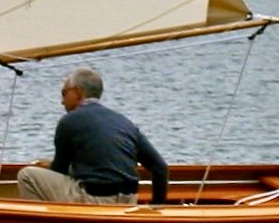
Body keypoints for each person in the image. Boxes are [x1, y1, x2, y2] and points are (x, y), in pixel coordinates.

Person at [15, 66, 169, 205]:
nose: (62, 101)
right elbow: (160, 167)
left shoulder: (70, 121)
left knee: (27, 175)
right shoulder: (124, 122)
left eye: (64, 93)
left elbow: (59, 170)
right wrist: (156, 207)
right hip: (128, 201)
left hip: (95, 199)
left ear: (78, 92)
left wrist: (47, 167)